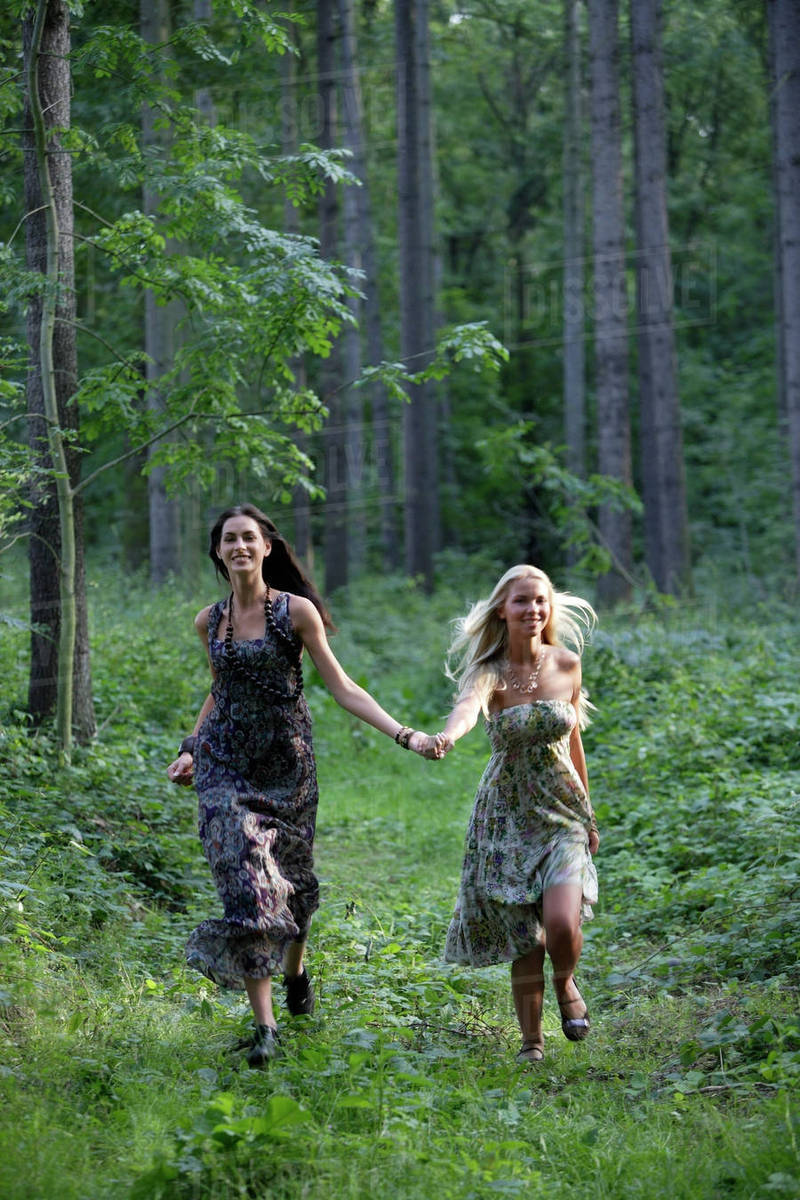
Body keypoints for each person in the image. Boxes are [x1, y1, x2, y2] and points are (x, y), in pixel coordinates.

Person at [167, 503, 439, 1066]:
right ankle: (265, 1028)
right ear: (218, 552)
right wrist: (190, 748)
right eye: (228, 540)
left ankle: (296, 971)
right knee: (247, 883)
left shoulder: (296, 613)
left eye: (249, 537)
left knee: (294, 884)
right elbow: (220, 690)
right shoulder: (208, 621)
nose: (239, 546)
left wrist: (404, 734)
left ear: (267, 547)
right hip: (224, 767)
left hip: (287, 770)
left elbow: (341, 687)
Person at [434, 564, 599, 1064]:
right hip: (505, 816)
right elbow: (467, 708)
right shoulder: (489, 671)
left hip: (561, 811)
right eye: (522, 601)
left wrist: (588, 814)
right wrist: (448, 735)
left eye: (540, 601)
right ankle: (532, 1043)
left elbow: (574, 741)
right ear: (502, 610)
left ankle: (565, 980)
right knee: (524, 935)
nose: (533, 610)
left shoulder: (567, 665)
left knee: (562, 923)